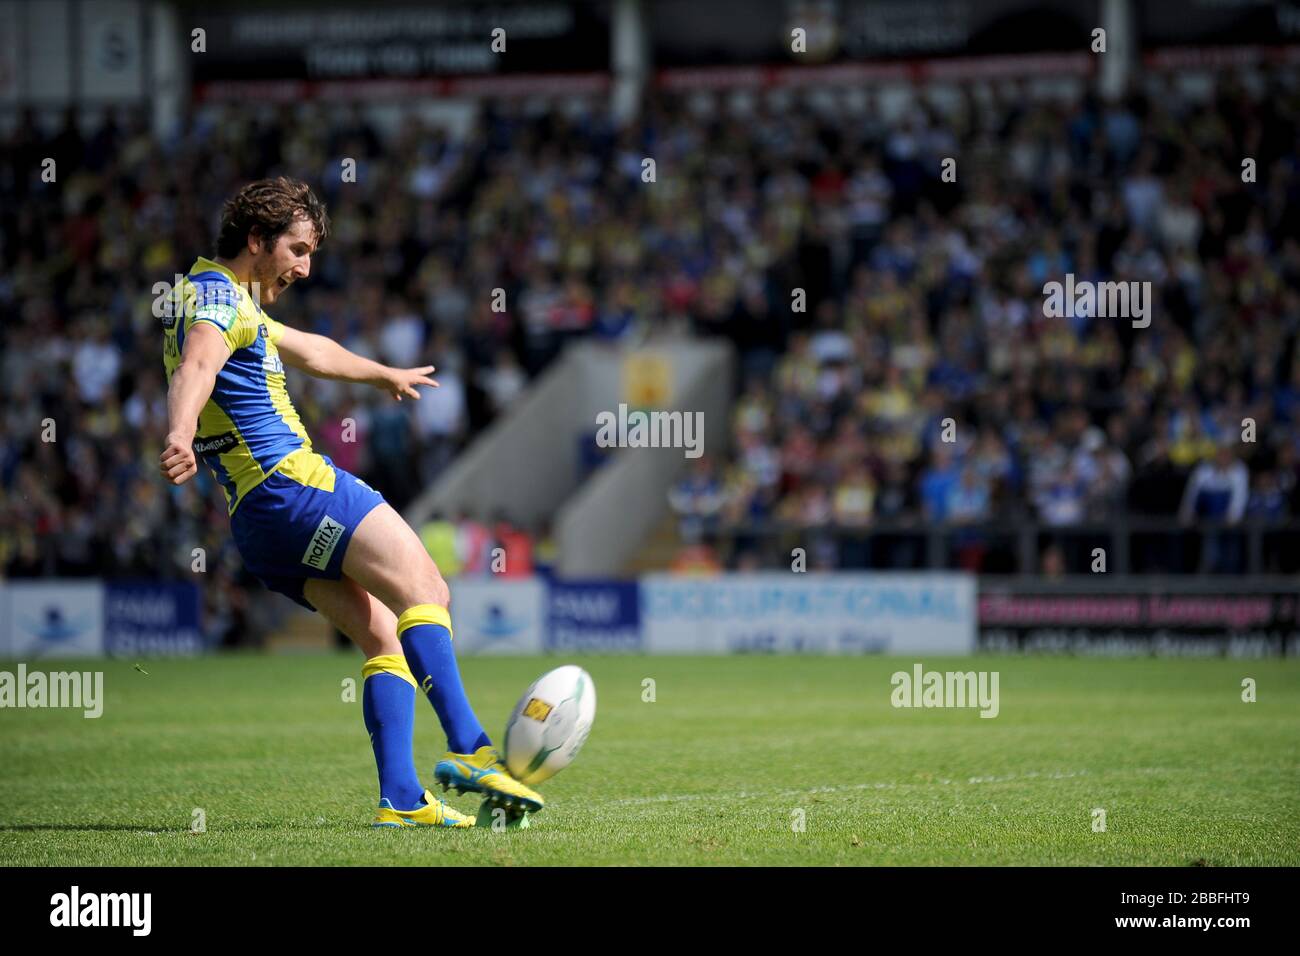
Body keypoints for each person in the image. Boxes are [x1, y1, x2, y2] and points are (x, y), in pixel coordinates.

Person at [157, 177, 542, 828]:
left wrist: (383, 373)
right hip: (295, 484)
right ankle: (472, 749)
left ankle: (401, 798)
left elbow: (312, 350)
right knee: (427, 591)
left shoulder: (224, 296)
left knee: (382, 635)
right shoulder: (218, 299)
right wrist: (179, 432)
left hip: (257, 522)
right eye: (298, 250)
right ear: (256, 240)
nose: (305, 268)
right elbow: (198, 367)